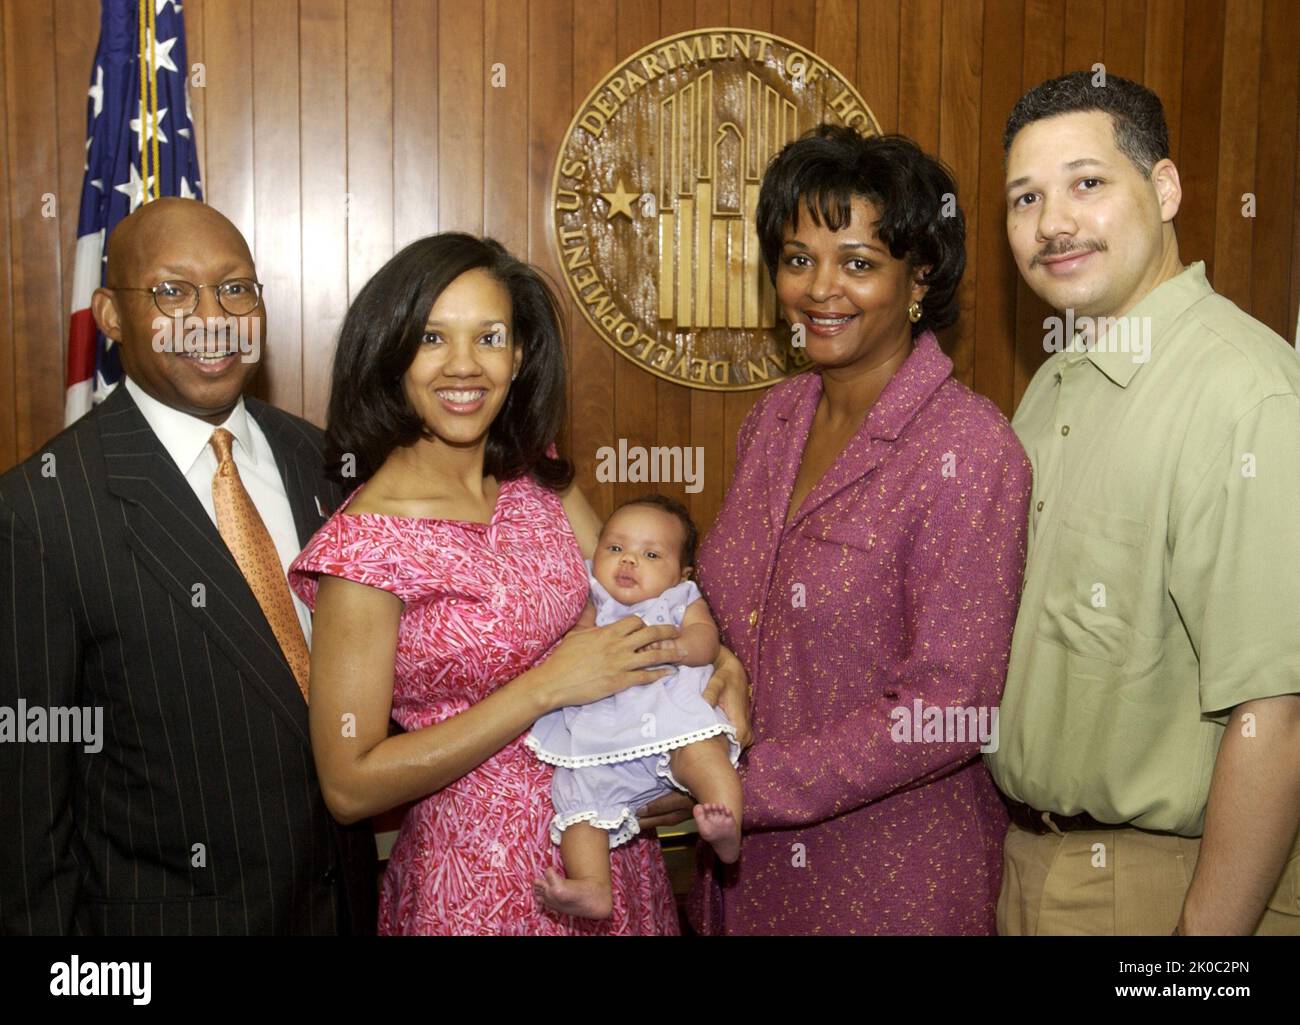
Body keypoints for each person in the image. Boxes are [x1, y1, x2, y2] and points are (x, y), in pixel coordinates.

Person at [287, 233, 751, 935]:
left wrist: (723, 669)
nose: (464, 365)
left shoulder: (538, 473)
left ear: (520, 354)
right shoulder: (365, 548)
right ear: (390, 354)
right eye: (433, 338)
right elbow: (349, 784)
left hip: (607, 846)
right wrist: (543, 687)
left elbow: (640, 605)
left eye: (490, 336)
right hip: (478, 881)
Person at [668, 126, 1032, 934]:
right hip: (739, 877)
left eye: (859, 263)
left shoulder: (969, 448)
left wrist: (741, 783)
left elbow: (953, 705)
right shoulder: (773, 419)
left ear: (919, 277)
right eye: (798, 259)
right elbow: (742, 615)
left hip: (887, 882)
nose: (820, 288)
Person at [0, 197, 378, 935]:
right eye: (172, 291)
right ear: (109, 315)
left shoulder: (328, 464)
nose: (212, 316)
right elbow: (25, 817)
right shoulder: (41, 513)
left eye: (235, 288)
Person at [989, 71, 1300, 935]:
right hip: (1030, 866)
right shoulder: (1051, 384)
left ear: (1163, 189)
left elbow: (1277, 713)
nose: (1053, 222)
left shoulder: (1247, 395)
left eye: (1087, 183)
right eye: (1025, 198)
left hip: (1168, 887)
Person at [527, 495, 743, 920]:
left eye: (650, 554)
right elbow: (577, 639)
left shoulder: (682, 597)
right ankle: (592, 887)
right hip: (604, 725)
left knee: (705, 756)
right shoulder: (594, 595)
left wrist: (680, 647)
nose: (628, 562)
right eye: (615, 548)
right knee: (578, 803)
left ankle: (726, 825)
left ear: (682, 573)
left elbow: (707, 640)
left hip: (670, 714)